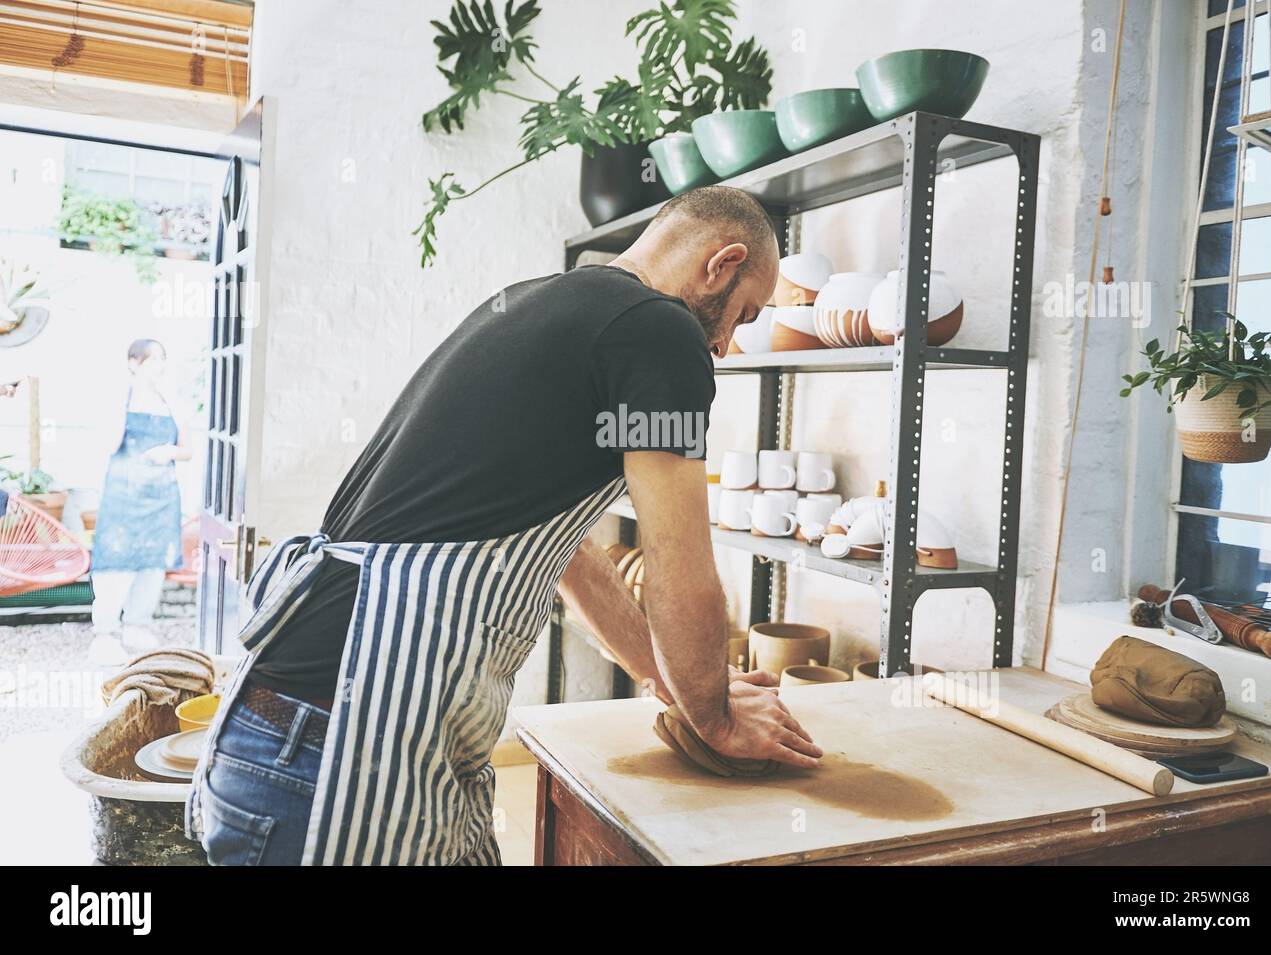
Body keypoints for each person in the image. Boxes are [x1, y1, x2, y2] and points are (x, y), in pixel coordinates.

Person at [187, 185, 823, 866]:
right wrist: (717, 718)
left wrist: (667, 678)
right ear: (720, 263)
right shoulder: (660, 331)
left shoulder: (540, 303)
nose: (725, 345)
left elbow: (569, 556)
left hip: (304, 737)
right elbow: (679, 565)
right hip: (332, 755)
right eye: (744, 315)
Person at [88, 339, 191, 666]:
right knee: (115, 562)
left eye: (162, 359)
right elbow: (108, 444)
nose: (158, 366)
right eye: (151, 360)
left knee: (152, 563)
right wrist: (122, 400)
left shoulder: (171, 401)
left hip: (161, 495)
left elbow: (187, 449)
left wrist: (168, 452)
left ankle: (137, 625)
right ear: (133, 363)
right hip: (124, 494)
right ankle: (105, 633)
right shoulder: (120, 398)